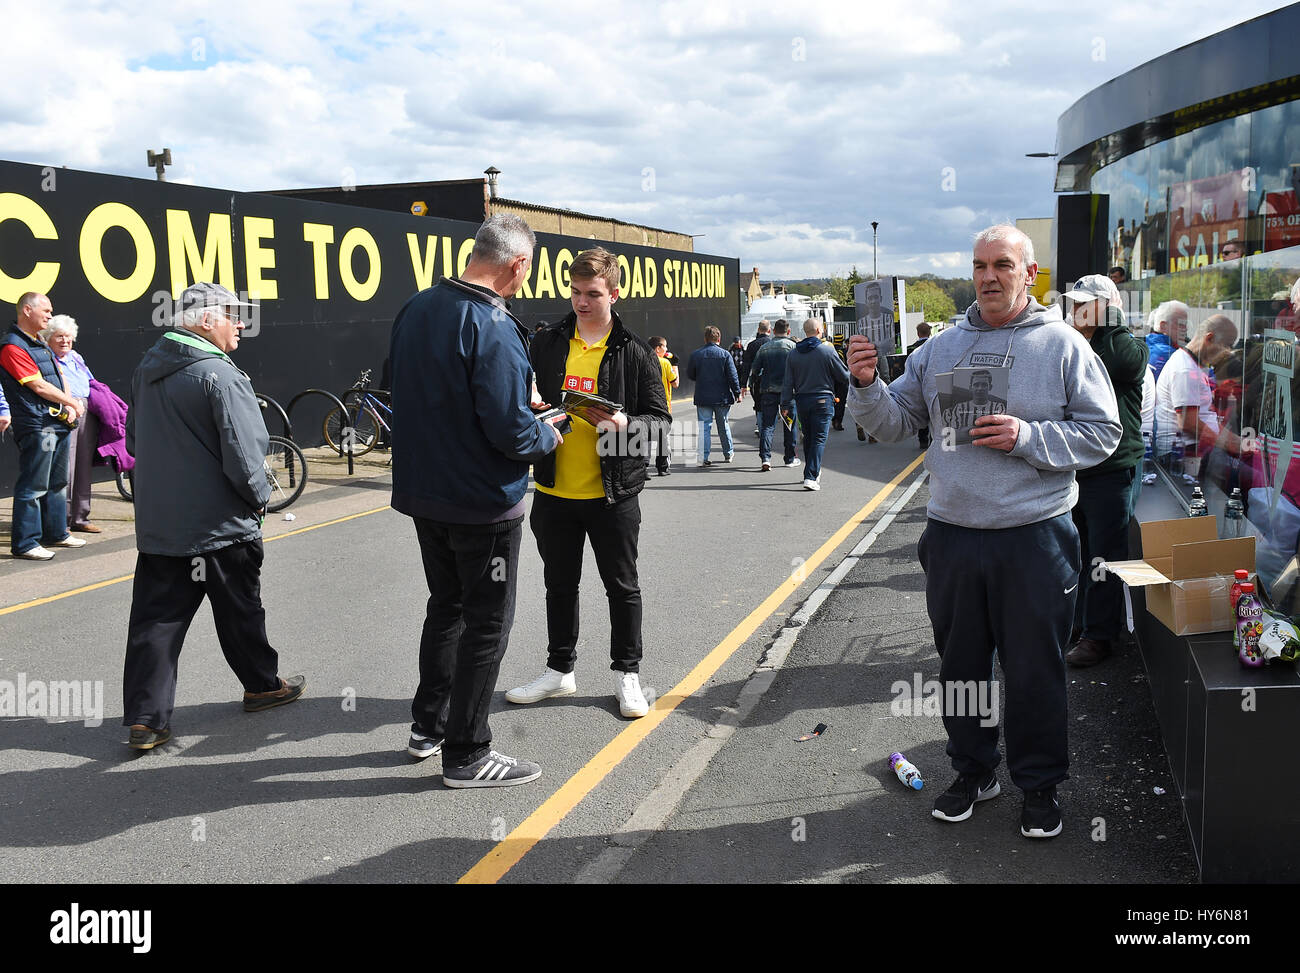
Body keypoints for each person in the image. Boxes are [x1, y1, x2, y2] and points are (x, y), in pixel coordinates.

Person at [846, 224, 1121, 839]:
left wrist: (1029, 439)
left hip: (1034, 536)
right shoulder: (942, 347)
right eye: (979, 266)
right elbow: (895, 424)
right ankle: (974, 771)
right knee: (962, 668)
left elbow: (1104, 433)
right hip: (952, 534)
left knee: (1032, 670)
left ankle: (1040, 785)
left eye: (1002, 265)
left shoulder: (1063, 345)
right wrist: (865, 387)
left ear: (1029, 274)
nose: (989, 277)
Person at [389, 214, 564, 787]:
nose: (526, 281)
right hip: (483, 501)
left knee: (446, 607)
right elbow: (512, 432)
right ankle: (467, 753)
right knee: (486, 624)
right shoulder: (493, 323)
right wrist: (548, 432)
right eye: (528, 270)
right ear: (516, 264)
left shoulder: (416, 308)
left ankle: (428, 727)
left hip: (425, 494)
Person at [121, 282, 306, 751]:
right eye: (232, 315)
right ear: (205, 321)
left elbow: (135, 443)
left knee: (156, 624)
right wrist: (261, 498)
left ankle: (146, 719)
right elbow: (246, 456)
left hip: (162, 528)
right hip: (220, 528)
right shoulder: (220, 375)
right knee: (241, 612)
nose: (241, 323)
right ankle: (263, 686)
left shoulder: (147, 367)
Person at [507, 246, 670, 719]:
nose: (581, 301)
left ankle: (627, 676)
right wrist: (536, 408)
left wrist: (624, 425)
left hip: (612, 495)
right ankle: (560, 671)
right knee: (559, 585)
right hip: (554, 491)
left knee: (622, 587)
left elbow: (660, 426)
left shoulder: (635, 351)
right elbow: (523, 399)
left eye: (592, 293)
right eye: (576, 291)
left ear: (615, 294)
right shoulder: (548, 342)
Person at [1060, 275, 1149, 668]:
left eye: (1084, 303)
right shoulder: (1074, 339)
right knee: (1077, 554)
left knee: (1103, 560)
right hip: (1077, 467)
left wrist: (1109, 315)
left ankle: (1100, 636)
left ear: (1108, 306)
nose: (1075, 310)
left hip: (1111, 470)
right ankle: (1080, 625)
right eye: (1072, 303)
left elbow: (1117, 364)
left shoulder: (1122, 344)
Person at [0, 292, 85, 560]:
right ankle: (26, 543)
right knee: (34, 484)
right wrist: (70, 402)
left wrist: (69, 406)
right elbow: (37, 385)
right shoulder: (12, 346)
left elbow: (59, 374)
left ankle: (56, 533)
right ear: (27, 310)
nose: (50, 315)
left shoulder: (38, 342)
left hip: (56, 421)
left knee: (58, 482)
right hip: (38, 425)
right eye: (46, 311)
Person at [1155, 314, 1240, 473]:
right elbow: (1188, 423)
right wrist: (1231, 444)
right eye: (1226, 345)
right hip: (1183, 455)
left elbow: (1202, 418)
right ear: (1209, 338)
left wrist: (1234, 440)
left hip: (1190, 451)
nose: (1228, 352)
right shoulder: (1186, 369)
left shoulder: (1190, 364)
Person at [41, 315, 101, 533]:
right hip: (62, 413)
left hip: (85, 411)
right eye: (59, 336)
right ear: (48, 338)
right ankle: (61, 521)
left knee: (83, 465)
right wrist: (69, 405)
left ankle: (80, 518)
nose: (65, 341)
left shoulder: (75, 356)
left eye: (68, 336)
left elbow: (91, 381)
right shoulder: (47, 359)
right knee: (65, 469)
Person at [781, 317, 850, 491]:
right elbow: (843, 376)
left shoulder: (793, 354)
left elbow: (788, 383)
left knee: (809, 437)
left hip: (802, 400)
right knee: (818, 439)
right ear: (819, 331)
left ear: (806, 332)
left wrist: (785, 405)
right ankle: (811, 476)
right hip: (823, 400)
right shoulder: (827, 351)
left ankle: (812, 471)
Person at [749, 319, 800, 472]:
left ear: (773, 331)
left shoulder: (764, 348)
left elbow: (755, 371)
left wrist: (753, 385)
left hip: (768, 392)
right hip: (788, 394)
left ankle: (766, 458)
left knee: (767, 426)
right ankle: (789, 458)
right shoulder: (794, 347)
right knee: (789, 425)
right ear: (788, 331)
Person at [687, 326, 742, 465]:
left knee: (704, 427)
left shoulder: (696, 354)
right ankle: (728, 454)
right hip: (722, 397)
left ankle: (703, 457)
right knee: (723, 425)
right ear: (719, 338)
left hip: (703, 396)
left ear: (705, 339)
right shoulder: (725, 354)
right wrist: (737, 393)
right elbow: (732, 376)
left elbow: (690, 374)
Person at [649, 335, 678, 476]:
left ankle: (643, 467)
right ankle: (663, 467)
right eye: (665, 346)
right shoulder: (665, 363)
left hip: (646, 404)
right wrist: (675, 364)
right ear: (658, 348)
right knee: (663, 436)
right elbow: (675, 383)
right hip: (663, 405)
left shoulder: (642, 361)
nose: (666, 349)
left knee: (645, 434)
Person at [740, 320, 771, 434]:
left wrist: (743, 385)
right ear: (769, 330)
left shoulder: (752, 345)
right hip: (771, 381)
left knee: (758, 405)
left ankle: (761, 427)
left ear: (758, 330)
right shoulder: (772, 343)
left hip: (756, 381)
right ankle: (767, 429)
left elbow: (746, 366)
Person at [1145, 300, 1188, 380]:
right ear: (1163, 326)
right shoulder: (1170, 354)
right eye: (1181, 324)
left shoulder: (1145, 344)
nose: (1185, 329)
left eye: (1185, 325)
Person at [906, 323, 932, 448]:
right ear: (930, 333)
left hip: (917, 384)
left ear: (918, 333)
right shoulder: (936, 347)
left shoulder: (910, 349)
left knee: (921, 412)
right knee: (934, 413)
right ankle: (933, 440)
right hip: (933, 384)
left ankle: (922, 439)